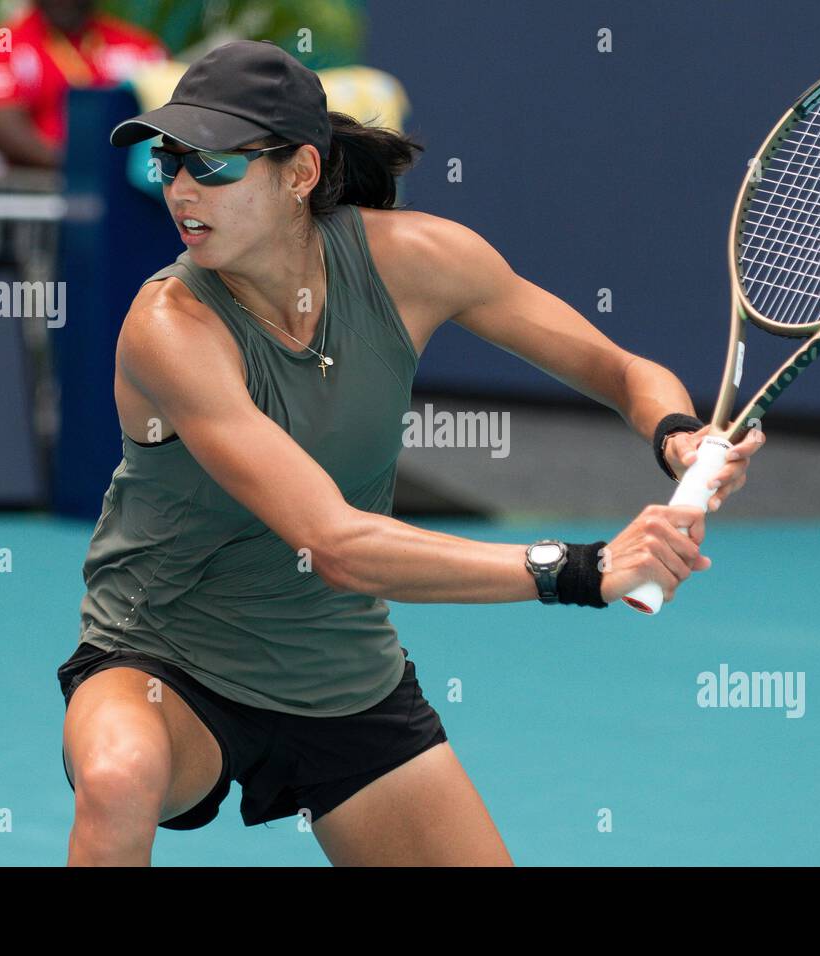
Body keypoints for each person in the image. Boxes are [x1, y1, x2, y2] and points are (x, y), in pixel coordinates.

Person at [56, 40, 765, 867]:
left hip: (340, 675)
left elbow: (616, 367)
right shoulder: (170, 327)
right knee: (117, 774)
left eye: (210, 164)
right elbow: (335, 545)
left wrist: (675, 432)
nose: (180, 187)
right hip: (164, 663)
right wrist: (582, 567)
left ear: (300, 173)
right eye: (169, 160)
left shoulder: (419, 261)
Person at [0, 0, 165, 168]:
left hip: (128, 188)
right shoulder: (4, 46)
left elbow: (165, 114)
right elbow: (4, 128)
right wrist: (83, 167)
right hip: (38, 195)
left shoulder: (137, 45)